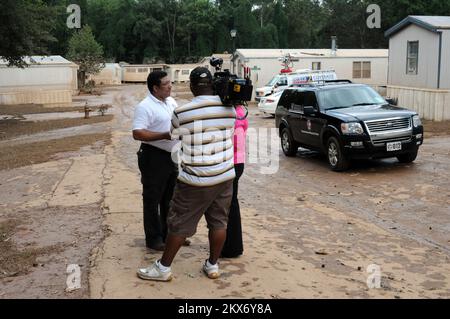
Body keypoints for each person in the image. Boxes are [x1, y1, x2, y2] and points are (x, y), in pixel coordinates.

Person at [137, 67, 236, 281]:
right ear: (213, 84)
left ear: (191, 87)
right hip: (225, 174)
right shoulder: (231, 109)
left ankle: (163, 268)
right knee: (219, 222)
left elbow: (175, 135)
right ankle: (212, 265)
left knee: (179, 222)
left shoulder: (182, 112)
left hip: (197, 179)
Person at [132, 70, 179, 251]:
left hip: (171, 156)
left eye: (170, 83)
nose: (170, 86)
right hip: (153, 156)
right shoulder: (144, 107)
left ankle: (169, 236)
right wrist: (165, 136)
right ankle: (154, 239)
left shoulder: (170, 102)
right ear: (155, 88)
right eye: (166, 84)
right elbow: (137, 133)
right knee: (153, 199)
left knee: (170, 199)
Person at [221, 104, 248, 258]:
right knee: (231, 203)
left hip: (232, 163)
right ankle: (232, 245)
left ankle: (231, 246)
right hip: (237, 162)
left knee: (229, 205)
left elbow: (235, 141)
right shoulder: (240, 111)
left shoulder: (235, 115)